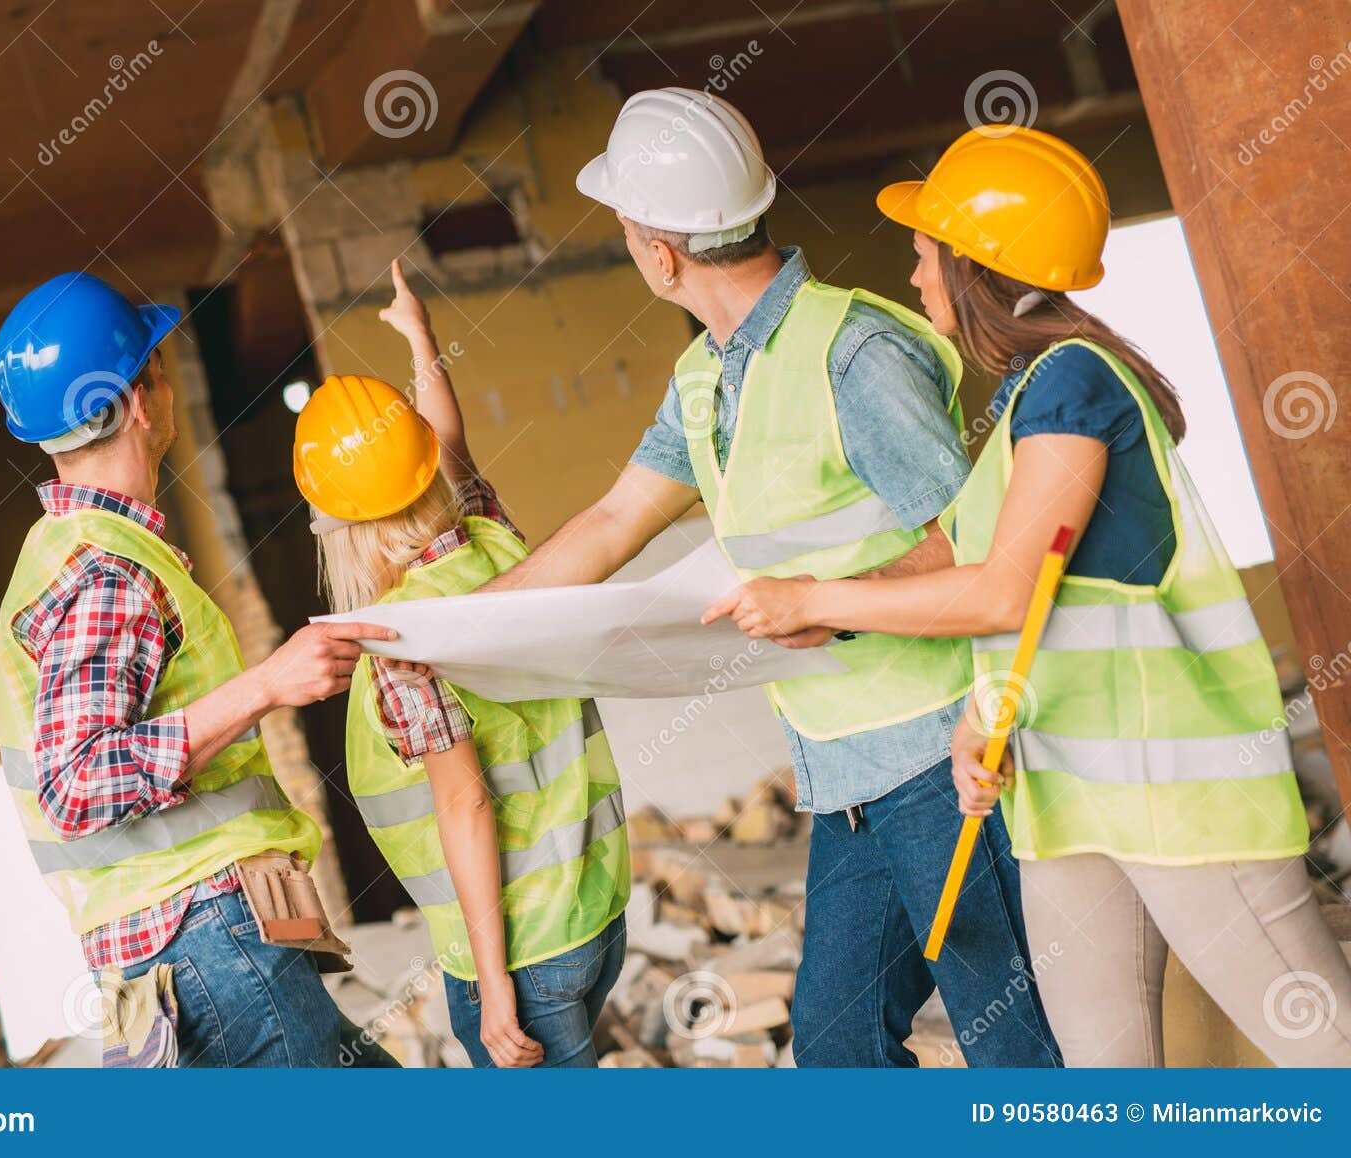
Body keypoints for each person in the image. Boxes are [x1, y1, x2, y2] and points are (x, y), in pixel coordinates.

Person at [704, 125, 1351, 1066]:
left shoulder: (1073, 387)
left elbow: (1007, 590)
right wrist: (980, 713)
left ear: (976, 268)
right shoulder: (1020, 401)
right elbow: (1050, 598)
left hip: (1176, 794)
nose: (917, 280)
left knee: (1322, 1045)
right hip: (1070, 794)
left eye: (926, 258)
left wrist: (815, 601)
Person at [468, 88, 1060, 1066]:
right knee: (835, 1054)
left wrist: (830, 610)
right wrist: (462, 630)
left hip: (939, 757)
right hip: (844, 779)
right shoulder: (705, 379)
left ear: (657, 250)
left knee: (1019, 1048)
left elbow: (974, 538)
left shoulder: (851, 352)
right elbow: (614, 521)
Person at [0, 272, 399, 1067]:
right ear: (142, 402)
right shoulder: (106, 575)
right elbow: (77, 784)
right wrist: (268, 687)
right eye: (159, 368)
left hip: (191, 947)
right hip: (207, 941)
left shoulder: (81, 555)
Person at [295, 260, 630, 1068]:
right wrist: (422, 341)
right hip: (597, 909)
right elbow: (451, 450)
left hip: (520, 951)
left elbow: (465, 806)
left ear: (338, 528)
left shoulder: (402, 645)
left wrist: (494, 987)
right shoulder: (490, 542)